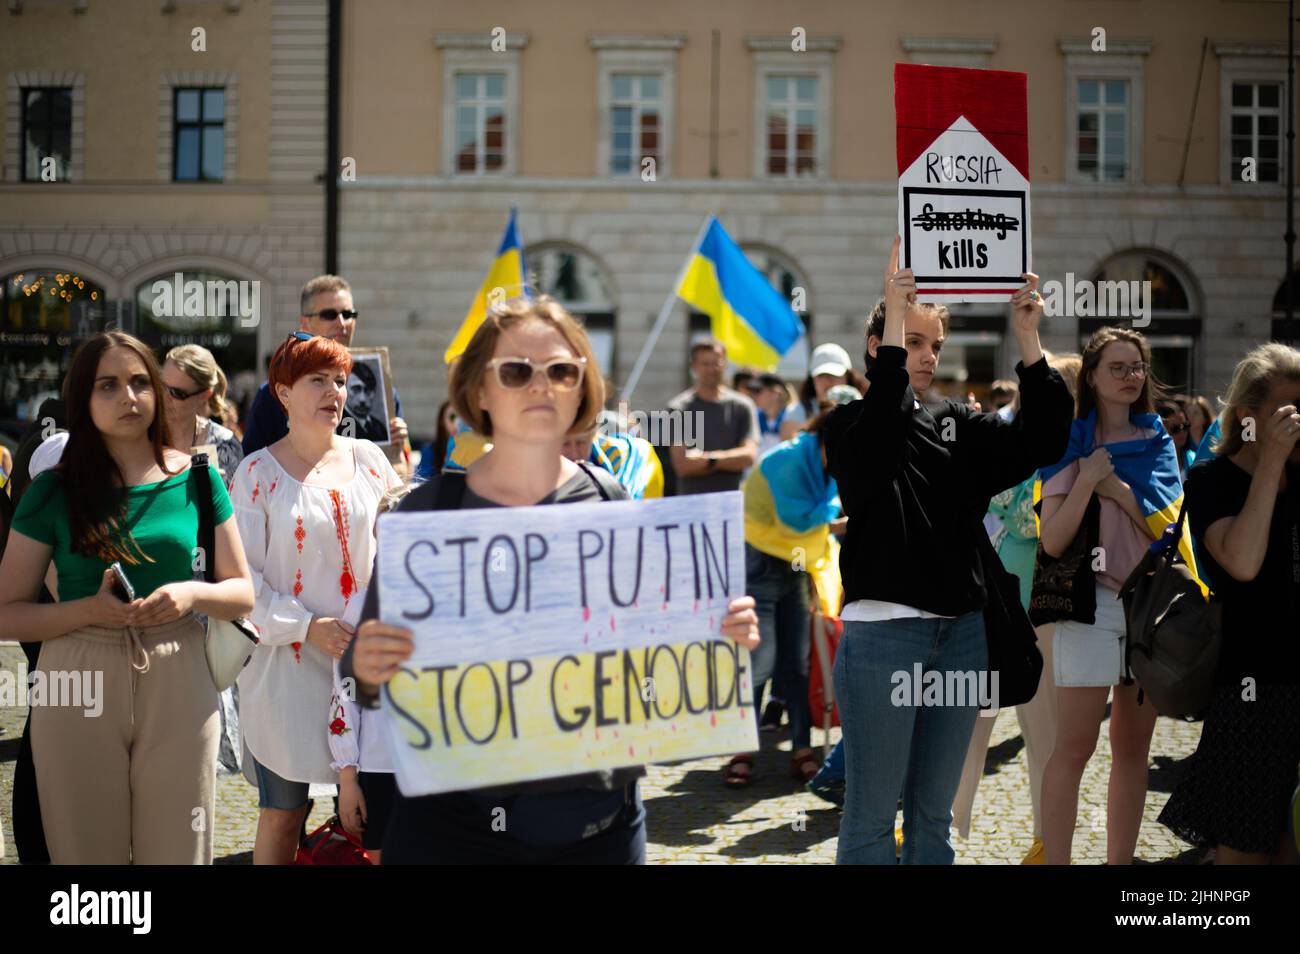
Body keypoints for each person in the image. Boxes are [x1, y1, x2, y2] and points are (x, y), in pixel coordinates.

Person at [341, 295, 760, 864]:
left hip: (598, 826)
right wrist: (368, 664)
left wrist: (714, 637)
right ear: (479, 390)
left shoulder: (609, 499)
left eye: (561, 370)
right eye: (517, 371)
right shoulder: (426, 515)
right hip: (455, 831)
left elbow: (647, 653)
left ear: (581, 388)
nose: (541, 385)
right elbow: (362, 672)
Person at [823, 236, 1071, 865]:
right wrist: (892, 304)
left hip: (962, 635)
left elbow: (1043, 440)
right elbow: (880, 444)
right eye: (913, 342)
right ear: (877, 348)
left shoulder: (955, 422)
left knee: (933, 817)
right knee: (871, 816)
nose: (929, 356)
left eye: (935, 344)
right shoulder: (847, 424)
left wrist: (1028, 340)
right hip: (883, 637)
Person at [0, 331, 255, 864]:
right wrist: (89, 610)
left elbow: (242, 592)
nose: (129, 397)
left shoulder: (199, 479)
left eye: (141, 382)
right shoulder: (52, 491)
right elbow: (6, 613)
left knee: (180, 849)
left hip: (179, 668)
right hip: (77, 671)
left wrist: (191, 593)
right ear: (83, 398)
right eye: (108, 385)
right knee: (87, 856)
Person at [232, 331, 402, 865]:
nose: (334, 391)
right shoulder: (256, 474)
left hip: (364, 671)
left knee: (373, 818)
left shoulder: (370, 460)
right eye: (317, 380)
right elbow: (242, 582)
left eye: (340, 381)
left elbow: (401, 545)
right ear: (283, 392)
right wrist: (307, 627)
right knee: (283, 813)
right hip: (288, 670)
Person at [1037, 327, 1185, 866]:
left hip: (1148, 607)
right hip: (1090, 606)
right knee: (1075, 747)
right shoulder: (1071, 442)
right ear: (1093, 377)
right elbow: (1053, 541)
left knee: (1132, 749)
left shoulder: (1157, 440)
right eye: (1117, 367)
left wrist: (1118, 491)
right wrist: (1086, 481)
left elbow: (1169, 533)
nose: (1130, 376)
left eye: (1137, 367)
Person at [1159, 343, 1300, 865]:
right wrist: (1271, 463)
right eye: (1286, 410)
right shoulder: (1212, 479)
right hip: (1253, 689)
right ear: (1247, 417)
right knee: (1245, 849)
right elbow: (1242, 561)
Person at [951, 352, 1083, 864]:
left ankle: (1046, 840)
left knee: (1043, 731)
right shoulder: (1018, 440)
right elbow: (1003, 503)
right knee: (969, 718)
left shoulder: (1077, 449)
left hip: (1046, 606)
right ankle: (943, 824)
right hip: (997, 597)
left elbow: (1032, 520)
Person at [724, 398, 849, 789]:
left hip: (796, 567)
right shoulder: (788, 460)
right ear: (825, 440)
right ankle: (741, 750)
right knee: (757, 662)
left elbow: (810, 518)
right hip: (760, 564)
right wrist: (835, 522)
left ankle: (801, 748)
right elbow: (794, 521)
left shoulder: (821, 463)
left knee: (796, 662)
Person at [240, 275, 409, 473]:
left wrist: (397, 450)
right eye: (329, 314)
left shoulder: (382, 392)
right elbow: (251, 467)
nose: (342, 323)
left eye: (348, 314)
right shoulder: (272, 395)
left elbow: (399, 474)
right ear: (305, 323)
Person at [667, 339, 759, 495]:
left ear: (725, 365)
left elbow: (749, 456)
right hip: (692, 502)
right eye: (705, 364)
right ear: (694, 366)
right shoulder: (678, 408)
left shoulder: (743, 406)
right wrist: (730, 460)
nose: (712, 369)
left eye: (717, 363)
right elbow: (682, 465)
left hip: (732, 500)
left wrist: (709, 459)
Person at [162, 344, 244, 487]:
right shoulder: (142, 435)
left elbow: (233, 499)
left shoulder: (222, 444)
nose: (164, 397)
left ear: (205, 395)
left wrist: (213, 490)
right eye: (161, 386)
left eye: (177, 393)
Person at [782, 342, 854, 440]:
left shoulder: (863, 409)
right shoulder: (796, 412)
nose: (828, 381)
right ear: (812, 379)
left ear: (847, 377)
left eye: (835, 375)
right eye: (821, 375)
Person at [344, 361, 390, 443]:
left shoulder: (379, 428)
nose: (362, 399)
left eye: (368, 390)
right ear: (344, 389)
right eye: (356, 389)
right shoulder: (335, 426)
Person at [415, 400, 458, 481]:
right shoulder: (430, 451)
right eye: (453, 417)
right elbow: (421, 481)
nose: (457, 423)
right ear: (442, 421)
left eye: (462, 418)